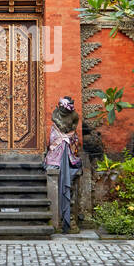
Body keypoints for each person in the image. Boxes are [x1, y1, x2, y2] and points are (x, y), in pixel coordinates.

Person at [45, 96, 81, 232]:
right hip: (58, 143)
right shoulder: (56, 114)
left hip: (67, 143)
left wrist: (68, 132)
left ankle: (64, 217)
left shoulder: (74, 115)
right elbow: (59, 125)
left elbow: (72, 127)